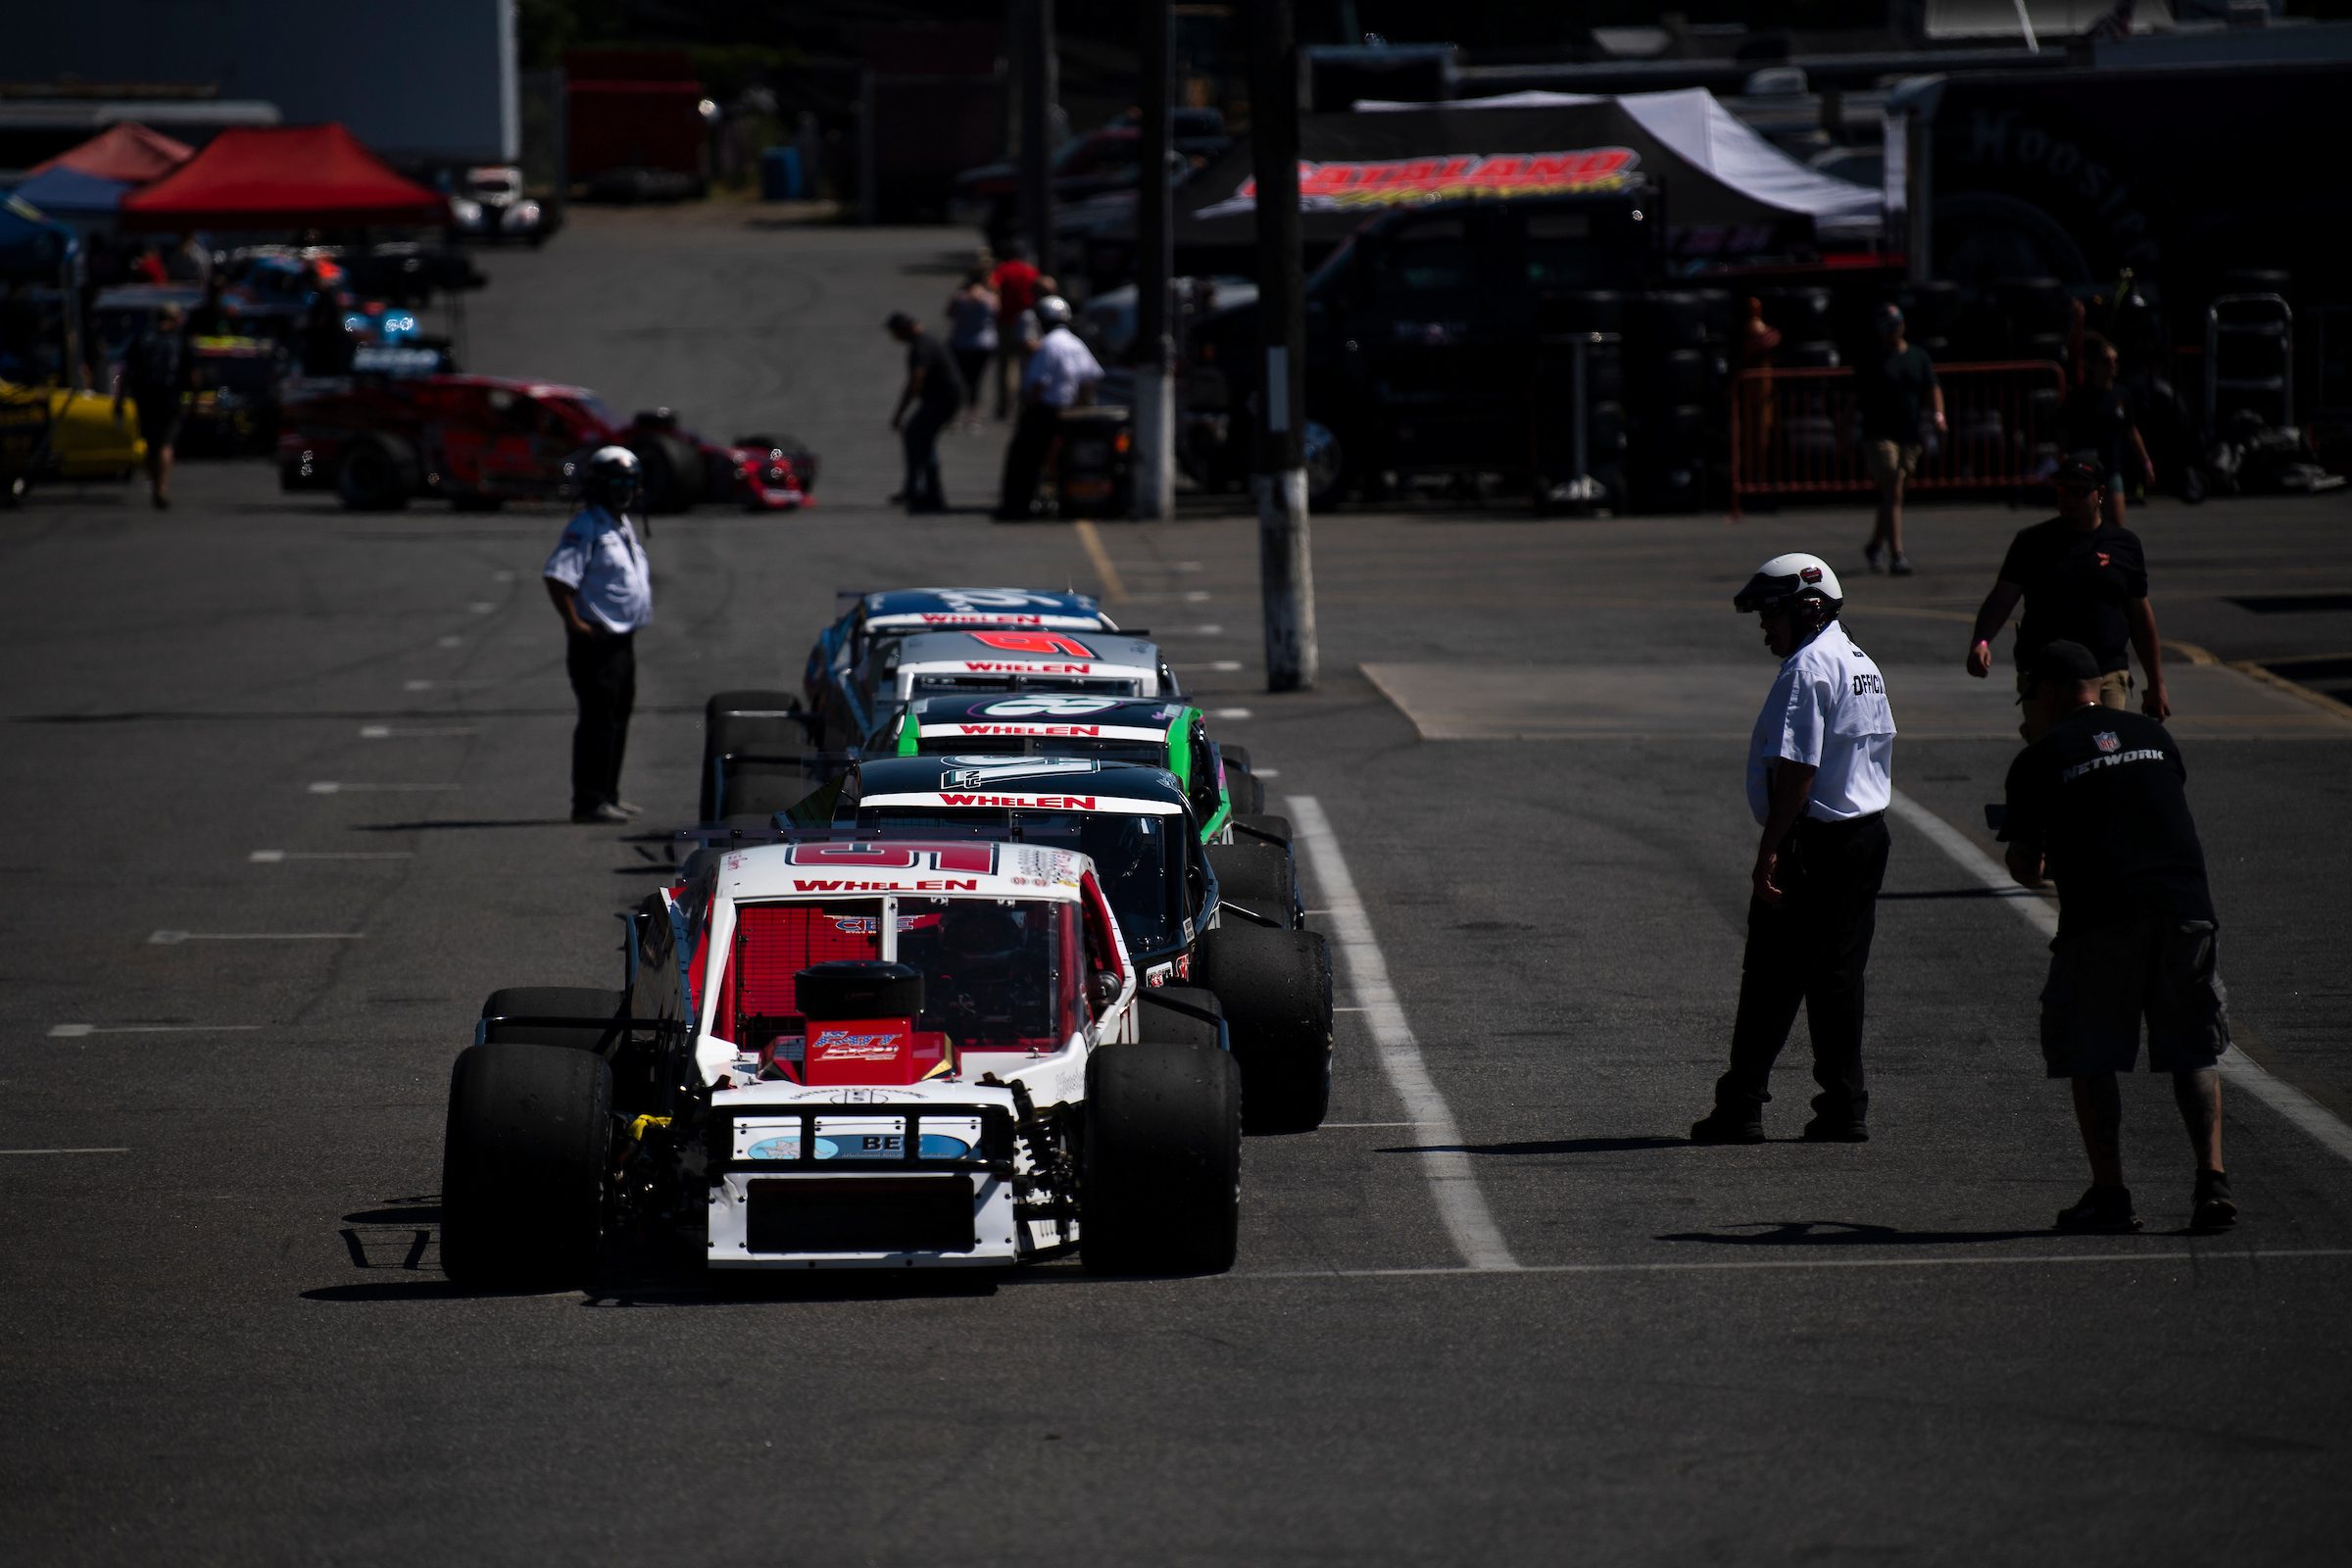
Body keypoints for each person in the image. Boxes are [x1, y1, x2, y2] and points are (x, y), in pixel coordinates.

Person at [1999, 639, 2234, 1233]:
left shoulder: (2039, 758)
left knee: (2092, 1052)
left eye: (2029, 698)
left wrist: (2046, 854)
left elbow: (2028, 865)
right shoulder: (2156, 738)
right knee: (2193, 1049)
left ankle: (2111, 1193)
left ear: (2048, 692)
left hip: (2103, 918)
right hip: (2186, 906)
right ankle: (2212, 1181)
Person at [1693, 554, 1896, 1145]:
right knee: (1839, 977)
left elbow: (1798, 770)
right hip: (1863, 837)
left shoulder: (1808, 670)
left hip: (1815, 840)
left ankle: (1742, 1106)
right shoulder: (1860, 662)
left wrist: (1770, 850)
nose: (1764, 627)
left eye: (1771, 614)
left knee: (1770, 978)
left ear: (1807, 609)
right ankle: (1843, 1104)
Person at [1965, 452, 2169, 741]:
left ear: (2099, 494)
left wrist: (2156, 683)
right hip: (2046, 677)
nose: (2069, 500)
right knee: (2051, 760)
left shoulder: (2124, 546)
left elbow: (2140, 617)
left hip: (2105, 673)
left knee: (2104, 758)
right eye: (2063, 491)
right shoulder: (2032, 542)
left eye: (2079, 492)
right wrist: (1981, 641)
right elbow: (2001, 599)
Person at [543, 447, 653, 825]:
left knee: (619, 717)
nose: (625, 490)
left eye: (630, 482)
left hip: (622, 641)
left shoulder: (620, 524)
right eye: (617, 482)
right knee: (598, 720)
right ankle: (588, 801)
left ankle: (610, 795)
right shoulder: (586, 526)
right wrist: (574, 622)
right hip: (597, 641)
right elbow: (557, 578)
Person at [1856, 303, 1944, 577]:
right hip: (1880, 434)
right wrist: (1847, 428)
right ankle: (1897, 554)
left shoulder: (1917, 357)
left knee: (1893, 493)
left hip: (1909, 433)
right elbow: (1856, 397)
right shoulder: (1873, 359)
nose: (1893, 332)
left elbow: (1932, 387)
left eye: (1896, 326)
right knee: (1893, 487)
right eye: (1887, 328)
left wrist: (1938, 415)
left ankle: (1874, 545)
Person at [996, 295, 1102, 521]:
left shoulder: (1047, 346)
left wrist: (1027, 411)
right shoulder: (1076, 344)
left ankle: (1017, 506)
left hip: (1045, 410)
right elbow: (1090, 379)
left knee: (1023, 458)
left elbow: (1037, 384)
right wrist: (1079, 406)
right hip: (1070, 413)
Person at [2062, 333, 2153, 528]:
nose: (2111, 365)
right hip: (2086, 469)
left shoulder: (2122, 395)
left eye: (2114, 360)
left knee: (2116, 522)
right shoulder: (2080, 397)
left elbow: (2131, 431)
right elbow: (2065, 431)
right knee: (2084, 522)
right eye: (2105, 361)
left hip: (2111, 467)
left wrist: (2146, 462)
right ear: (2094, 365)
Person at [112, 303, 193, 510]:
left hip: (145, 397)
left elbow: (125, 371)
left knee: (151, 444)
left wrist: (119, 399)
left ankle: (155, 484)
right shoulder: (179, 339)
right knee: (166, 444)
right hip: (171, 397)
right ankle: (162, 488)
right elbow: (192, 374)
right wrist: (192, 399)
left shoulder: (142, 338)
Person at [887, 312, 961, 513]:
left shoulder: (922, 345)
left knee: (919, 437)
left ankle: (930, 492)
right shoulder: (922, 342)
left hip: (943, 399)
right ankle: (917, 488)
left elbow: (916, 379)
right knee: (918, 437)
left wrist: (900, 412)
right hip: (941, 398)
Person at [989, 241, 1041, 419]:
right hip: (1026, 319)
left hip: (1006, 320)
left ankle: (1005, 406)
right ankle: (1023, 404)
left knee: (1005, 366)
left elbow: (993, 287)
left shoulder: (1002, 269)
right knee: (1025, 365)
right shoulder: (1029, 270)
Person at [945, 270, 999, 427]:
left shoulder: (960, 297)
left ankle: (956, 415)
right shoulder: (989, 298)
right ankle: (973, 416)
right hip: (983, 343)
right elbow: (996, 312)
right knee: (976, 381)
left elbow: (949, 313)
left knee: (961, 379)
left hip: (961, 342)